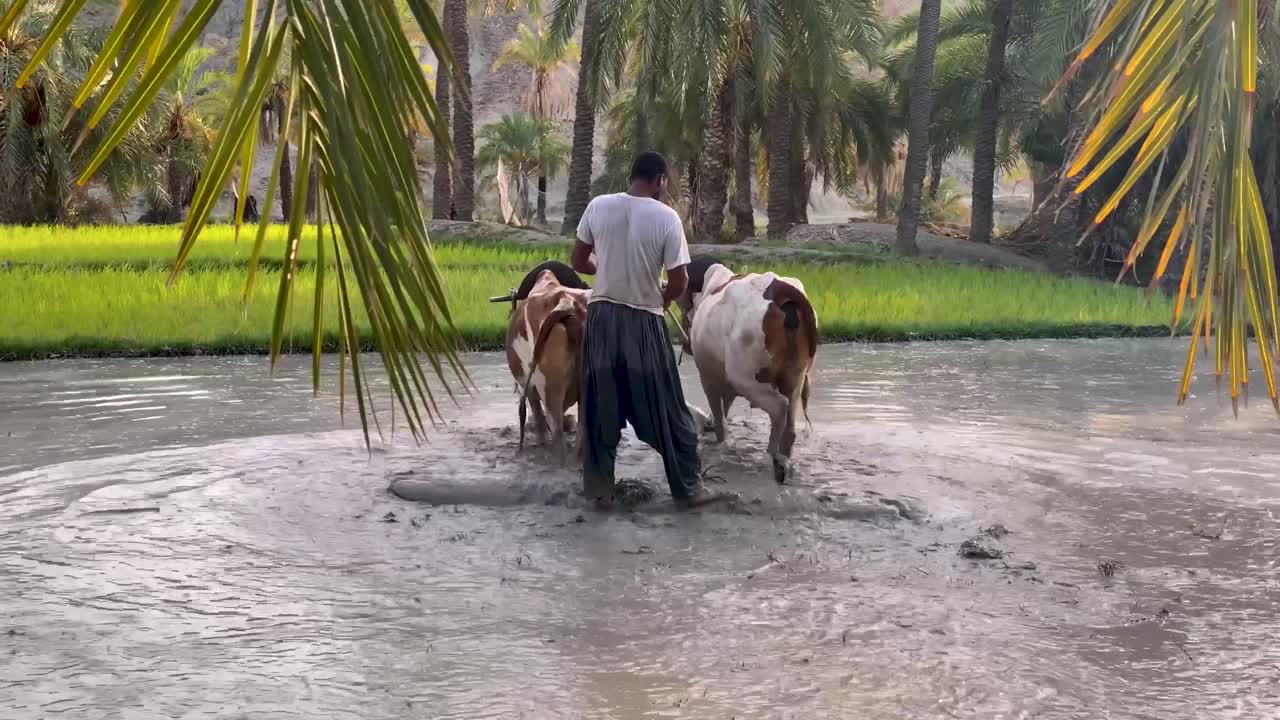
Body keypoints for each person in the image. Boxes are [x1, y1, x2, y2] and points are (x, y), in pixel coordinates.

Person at [571, 152, 727, 509]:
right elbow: (679, 281)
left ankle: (600, 493)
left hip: (601, 319)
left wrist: (606, 266)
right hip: (644, 322)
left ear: (632, 176)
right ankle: (688, 490)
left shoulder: (598, 206)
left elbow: (579, 261)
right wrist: (664, 297)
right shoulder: (667, 218)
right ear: (659, 180)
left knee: (599, 409)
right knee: (667, 408)